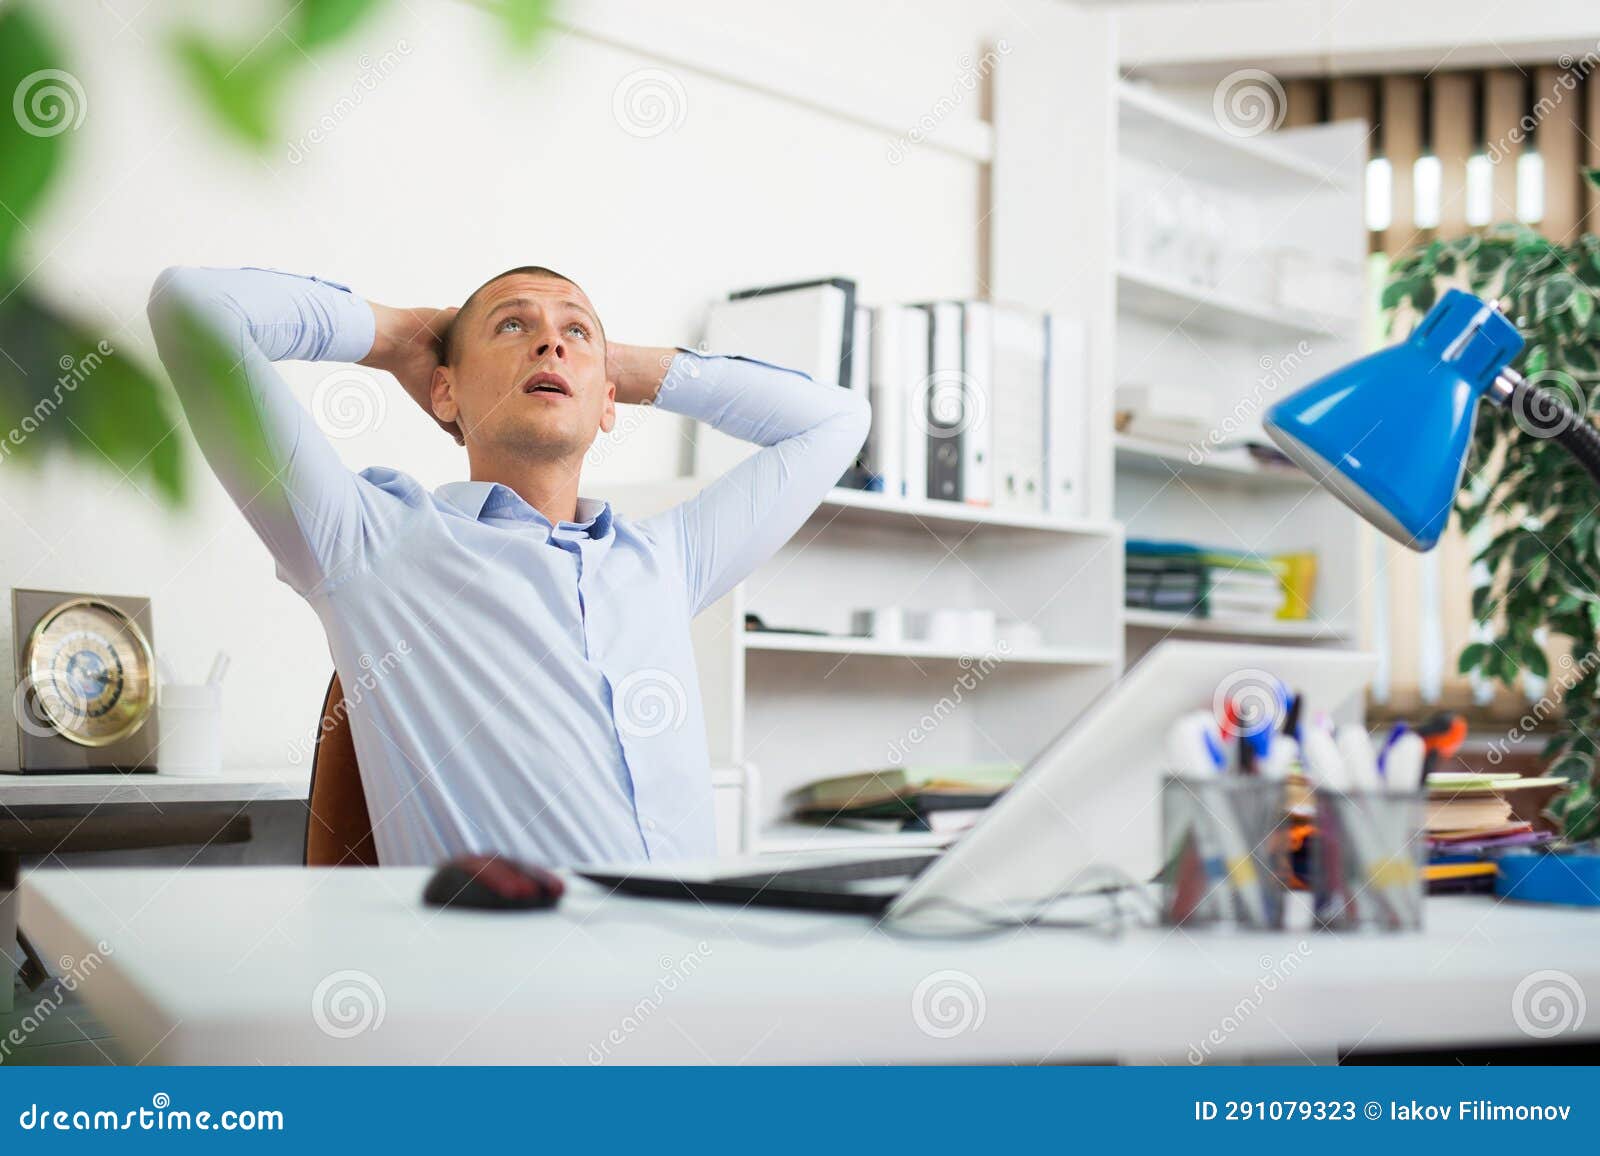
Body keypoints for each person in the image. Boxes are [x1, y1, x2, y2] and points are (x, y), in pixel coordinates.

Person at [146, 265, 870, 867]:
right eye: (514, 325)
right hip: (512, 1015)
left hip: (691, 1006)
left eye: (574, 332)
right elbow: (195, 308)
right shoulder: (368, 541)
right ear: (445, 391)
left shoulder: (667, 558)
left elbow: (836, 420)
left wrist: (615, 368)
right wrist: (403, 335)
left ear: (609, 402)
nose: (551, 345)